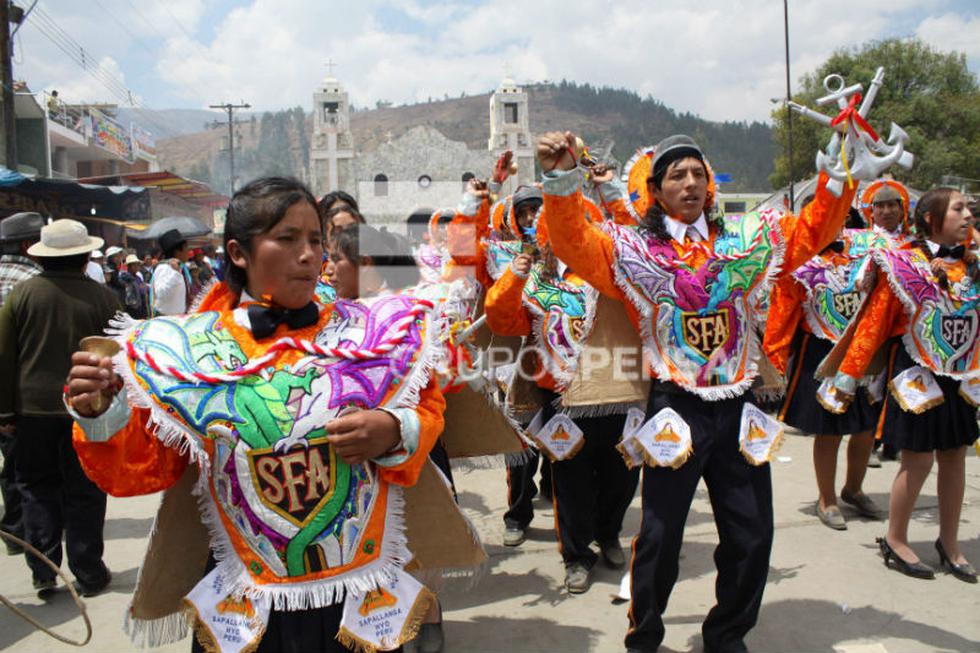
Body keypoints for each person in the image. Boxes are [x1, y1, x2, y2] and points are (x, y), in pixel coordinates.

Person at [66, 177, 446, 652]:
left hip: (359, 591)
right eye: (287, 239)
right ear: (239, 253)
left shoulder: (370, 332)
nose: (309, 255)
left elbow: (428, 408)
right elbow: (140, 472)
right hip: (246, 595)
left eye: (315, 240)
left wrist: (393, 430)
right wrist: (102, 413)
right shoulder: (182, 351)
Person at [538, 130, 861, 653]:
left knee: (752, 536)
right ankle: (645, 637)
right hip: (675, 406)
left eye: (697, 174)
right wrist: (559, 180)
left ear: (710, 186)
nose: (689, 183)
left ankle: (727, 636)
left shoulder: (745, 241)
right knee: (661, 538)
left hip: (739, 404)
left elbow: (810, 233)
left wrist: (838, 179)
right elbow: (573, 241)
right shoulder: (633, 250)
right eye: (676, 175)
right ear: (656, 191)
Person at [829, 187, 978, 583]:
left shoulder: (972, 264)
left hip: (960, 371)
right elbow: (874, 322)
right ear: (931, 217)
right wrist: (847, 378)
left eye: (970, 209)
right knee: (918, 459)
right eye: (958, 209)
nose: (968, 215)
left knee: (954, 455)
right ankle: (895, 539)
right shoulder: (901, 263)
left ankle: (950, 543)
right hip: (915, 372)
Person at [0, 219, 119, 599]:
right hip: (87, 410)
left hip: (30, 410)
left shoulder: (21, 295)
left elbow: (5, 357)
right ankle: (88, 572)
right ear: (86, 257)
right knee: (84, 490)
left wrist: (4, 412)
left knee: (36, 488)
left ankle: (44, 570)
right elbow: (122, 358)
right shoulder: (104, 298)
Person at [764, 222, 885, 530]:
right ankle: (826, 498)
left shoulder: (865, 253)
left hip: (860, 348)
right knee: (829, 428)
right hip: (819, 350)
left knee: (866, 426)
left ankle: (853, 488)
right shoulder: (796, 263)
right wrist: (773, 362)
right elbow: (781, 312)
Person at [0, 212, 44, 556]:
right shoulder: (33, 281)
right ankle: (25, 532)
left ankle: (14, 527)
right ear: (29, 246)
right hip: (20, 390)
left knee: (11, 462)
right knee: (26, 467)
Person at [150, 228, 191, 315]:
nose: (189, 251)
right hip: (166, 323)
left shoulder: (181, 269)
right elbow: (161, 294)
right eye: (186, 247)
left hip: (179, 319)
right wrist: (175, 274)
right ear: (178, 250)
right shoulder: (164, 268)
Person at [119, 254, 149, 319]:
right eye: (134, 265)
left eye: (137, 265)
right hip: (132, 309)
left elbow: (143, 290)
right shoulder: (126, 278)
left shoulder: (138, 278)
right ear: (129, 266)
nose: (136, 267)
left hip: (140, 308)